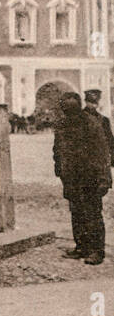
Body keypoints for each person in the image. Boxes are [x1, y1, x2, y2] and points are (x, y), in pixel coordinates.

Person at [54, 92, 109, 265]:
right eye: (65, 109)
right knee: (76, 213)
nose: (67, 112)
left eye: (70, 109)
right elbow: (57, 150)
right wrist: (59, 170)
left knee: (92, 213)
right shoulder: (62, 125)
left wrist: (104, 179)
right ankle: (81, 247)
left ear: (77, 107)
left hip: (90, 177)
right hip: (71, 177)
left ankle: (97, 250)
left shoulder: (91, 124)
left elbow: (102, 152)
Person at [84, 90, 114, 169]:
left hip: (102, 161)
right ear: (86, 102)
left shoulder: (104, 120)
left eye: (96, 103)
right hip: (85, 161)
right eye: (91, 102)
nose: (94, 106)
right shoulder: (79, 119)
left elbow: (110, 140)